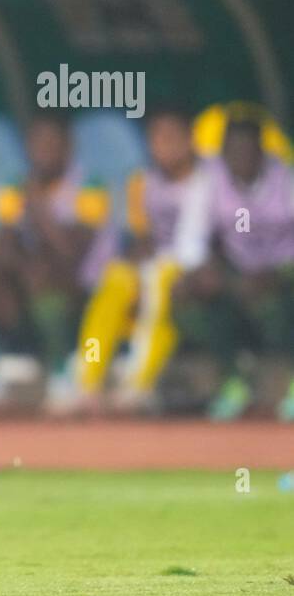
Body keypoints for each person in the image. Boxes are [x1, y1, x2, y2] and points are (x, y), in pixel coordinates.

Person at [0, 115, 116, 411]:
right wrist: (24, 266)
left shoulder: (90, 185)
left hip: (88, 285)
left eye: (52, 144)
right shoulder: (13, 185)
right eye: (37, 144)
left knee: (49, 286)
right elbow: (0, 250)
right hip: (38, 278)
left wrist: (38, 206)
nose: (44, 152)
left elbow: (70, 253)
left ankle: (62, 375)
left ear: (68, 148)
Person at [171, 107, 294, 419]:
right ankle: (233, 382)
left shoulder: (286, 179)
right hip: (236, 275)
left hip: (284, 274)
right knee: (185, 293)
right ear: (223, 152)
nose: (241, 157)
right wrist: (210, 274)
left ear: (261, 151)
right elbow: (189, 244)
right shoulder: (208, 180)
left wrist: (276, 277)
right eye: (233, 149)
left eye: (248, 149)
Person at [75, 108, 197, 410]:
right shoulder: (141, 182)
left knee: (160, 279)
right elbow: (140, 238)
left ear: (189, 141)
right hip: (153, 264)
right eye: (156, 137)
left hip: (189, 267)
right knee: (116, 276)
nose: (164, 145)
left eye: (172, 137)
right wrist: (139, 265)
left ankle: (138, 384)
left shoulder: (205, 180)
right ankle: (87, 380)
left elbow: (201, 242)